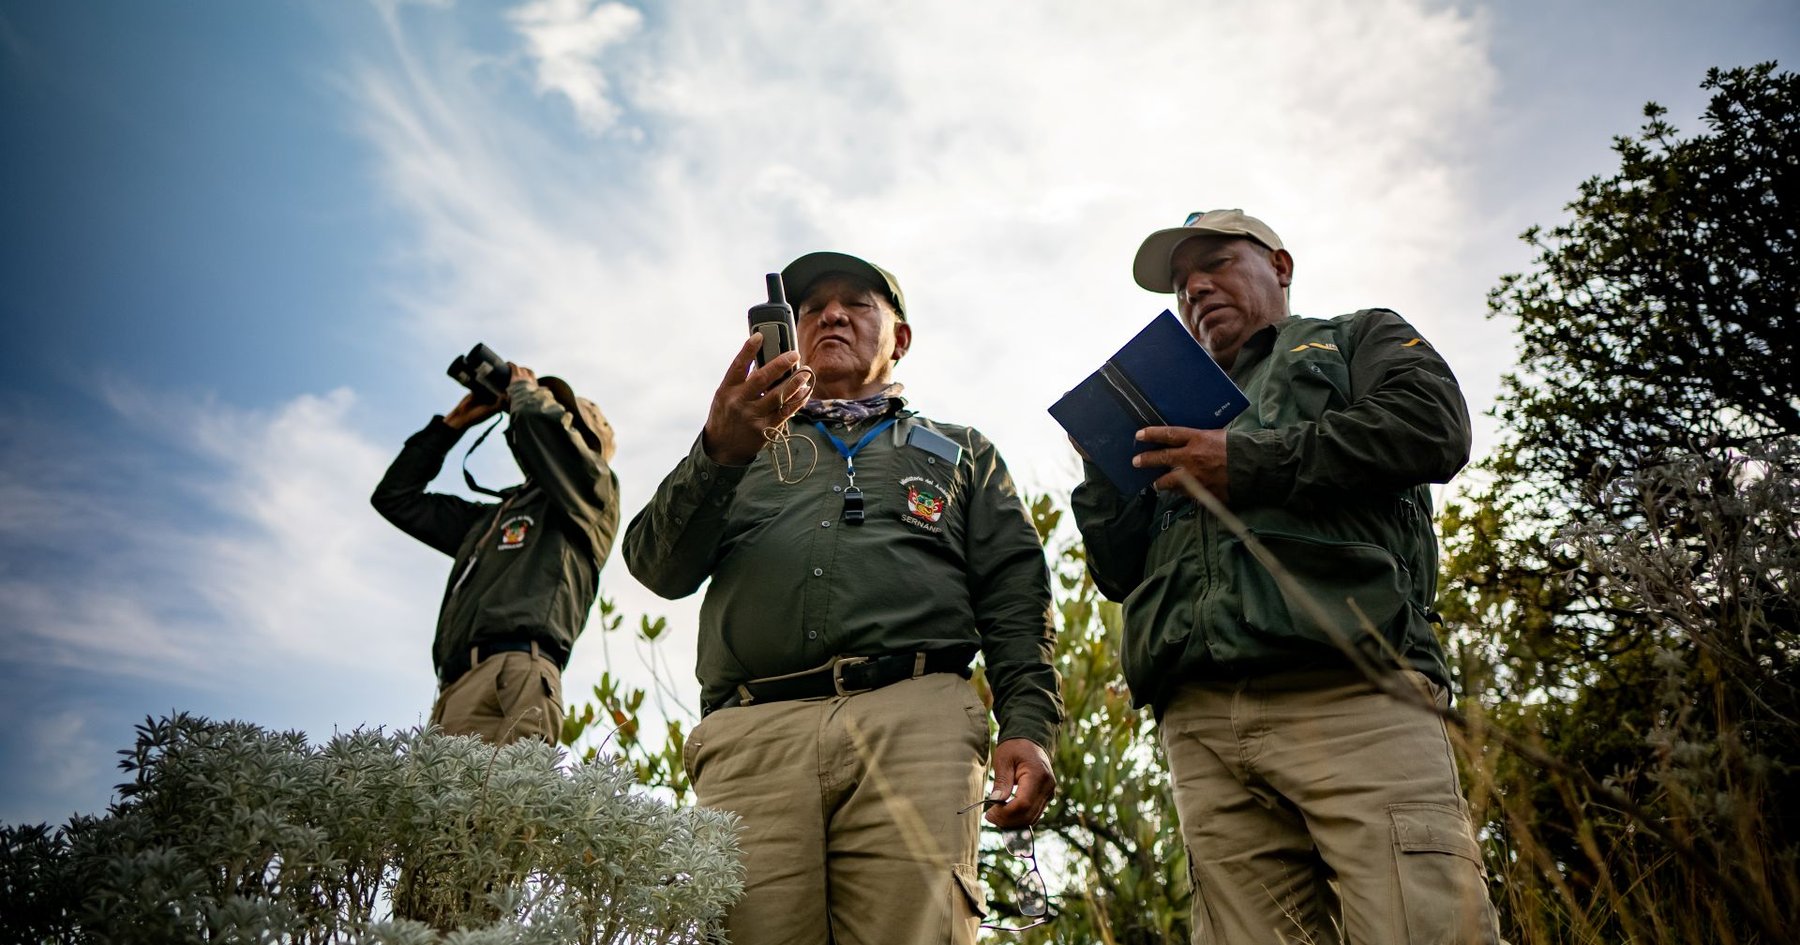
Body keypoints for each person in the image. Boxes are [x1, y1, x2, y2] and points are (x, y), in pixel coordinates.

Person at [1072, 210, 1501, 943]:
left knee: (1420, 924)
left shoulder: (1353, 338)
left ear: (1280, 264)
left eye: (1215, 262)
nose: (1196, 286)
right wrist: (1105, 470)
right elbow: (1119, 573)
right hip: (1204, 723)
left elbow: (1434, 427)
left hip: (1352, 688)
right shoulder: (1172, 408)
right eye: (1180, 283)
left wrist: (1245, 460)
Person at [624, 252, 1062, 945]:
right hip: (753, 737)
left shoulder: (961, 450)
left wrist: (1028, 724)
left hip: (916, 721)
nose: (830, 314)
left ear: (901, 338)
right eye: (811, 307)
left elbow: (1016, 596)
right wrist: (716, 452)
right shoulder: (743, 445)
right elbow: (654, 567)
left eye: (856, 303)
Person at [372, 363, 619, 746]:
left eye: (565, 416)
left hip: (515, 674)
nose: (541, 408)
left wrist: (524, 390)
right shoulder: (491, 521)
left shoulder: (594, 495)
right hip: (456, 687)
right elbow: (395, 498)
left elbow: (546, 432)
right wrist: (453, 425)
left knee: (503, 806)